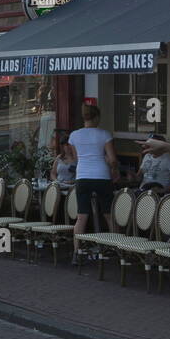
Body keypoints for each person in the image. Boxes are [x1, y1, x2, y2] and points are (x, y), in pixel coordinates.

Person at [69, 103, 117, 244]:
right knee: (109, 215)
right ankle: (117, 248)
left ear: (84, 118)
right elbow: (113, 160)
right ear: (97, 118)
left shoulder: (74, 135)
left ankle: (77, 252)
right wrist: (114, 168)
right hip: (102, 176)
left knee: (81, 217)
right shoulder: (104, 134)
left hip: (82, 176)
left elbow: (77, 158)